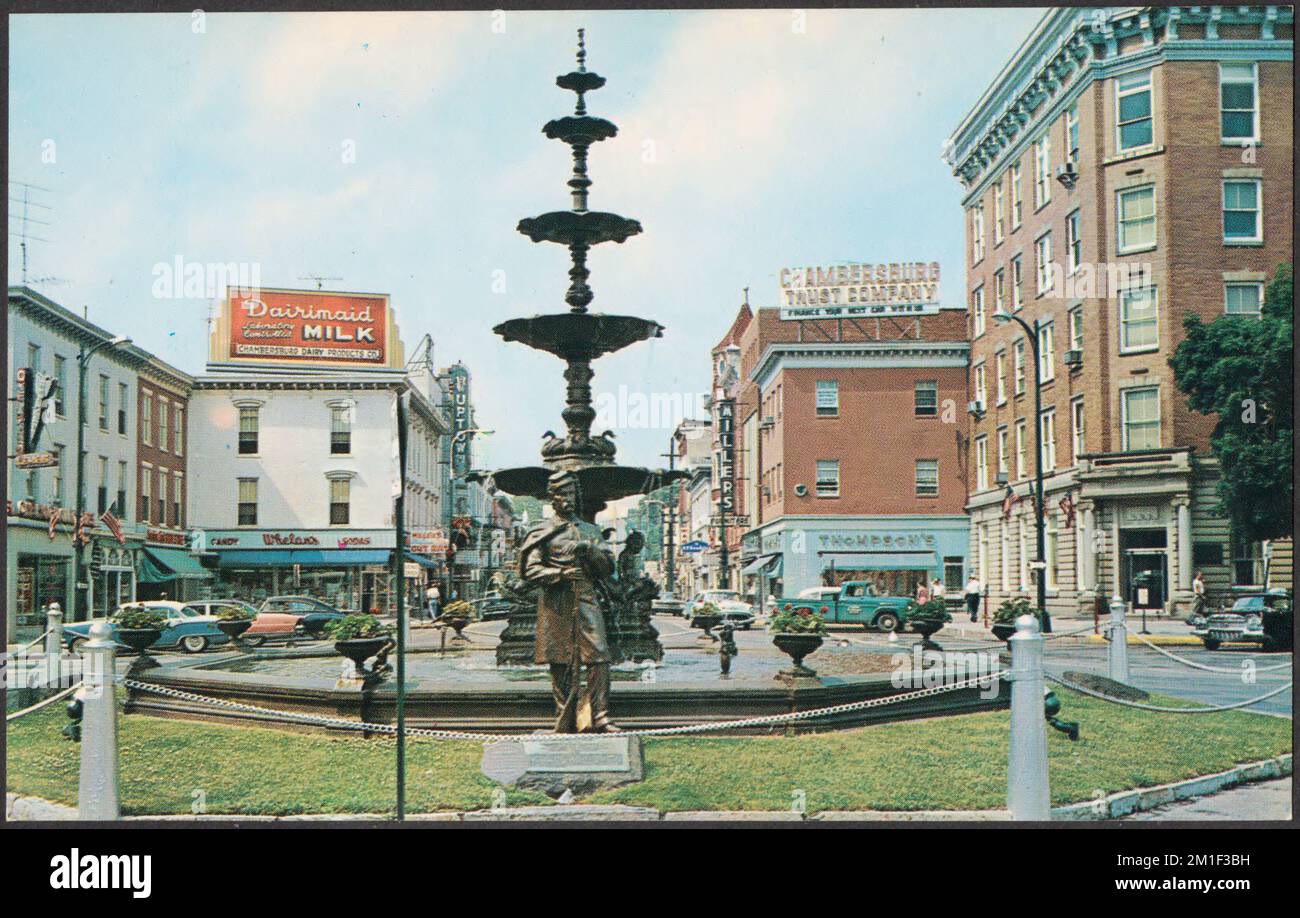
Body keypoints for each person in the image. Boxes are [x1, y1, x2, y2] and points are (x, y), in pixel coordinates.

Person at [519, 470, 619, 733]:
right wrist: (560, 574)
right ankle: (564, 714)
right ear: (552, 498)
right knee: (559, 658)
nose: (568, 499)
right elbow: (530, 571)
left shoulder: (590, 530)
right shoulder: (543, 531)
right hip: (555, 600)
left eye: (572, 494)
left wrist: (590, 549)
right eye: (562, 494)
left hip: (585, 596)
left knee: (598, 654)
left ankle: (600, 715)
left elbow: (607, 568)